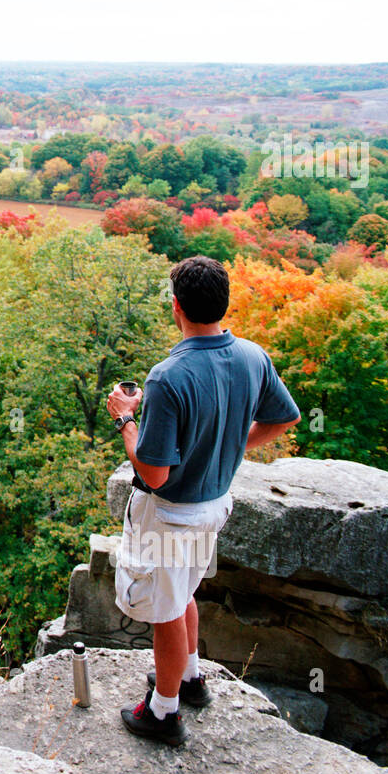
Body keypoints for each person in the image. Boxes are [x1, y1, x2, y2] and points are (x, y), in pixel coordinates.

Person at [104, 255, 301, 745]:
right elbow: (283, 418)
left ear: (177, 308)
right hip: (213, 505)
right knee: (184, 591)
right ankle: (190, 678)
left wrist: (125, 419)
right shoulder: (252, 357)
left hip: (169, 513)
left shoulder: (168, 376)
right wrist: (233, 445)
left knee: (164, 611)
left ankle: (163, 713)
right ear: (222, 302)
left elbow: (153, 471)